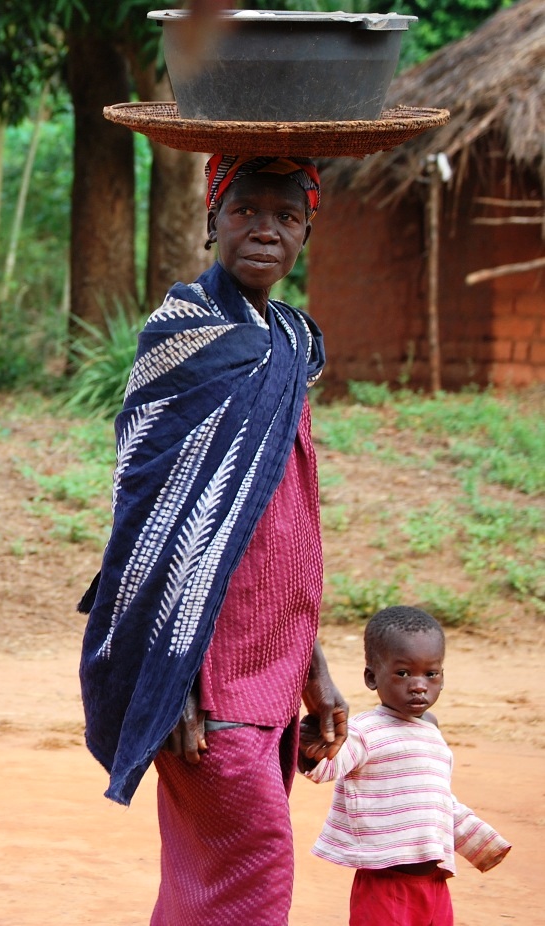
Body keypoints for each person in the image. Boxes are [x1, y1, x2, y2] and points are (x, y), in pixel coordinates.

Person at [77, 154, 350, 925]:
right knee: (252, 871)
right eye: (245, 210)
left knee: (211, 880)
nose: (265, 229)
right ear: (211, 220)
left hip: (272, 661)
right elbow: (149, 523)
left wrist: (313, 669)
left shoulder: (293, 342)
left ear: (306, 232)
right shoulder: (183, 337)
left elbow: (273, 515)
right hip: (207, 674)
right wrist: (174, 677)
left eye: (287, 215)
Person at [300, 606, 510, 925]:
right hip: (386, 886)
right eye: (403, 673)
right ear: (372, 677)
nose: (418, 685)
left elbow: (435, 797)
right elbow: (328, 767)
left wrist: (478, 841)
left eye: (431, 673)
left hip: (434, 884)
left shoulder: (431, 730)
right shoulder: (364, 731)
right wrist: (311, 749)